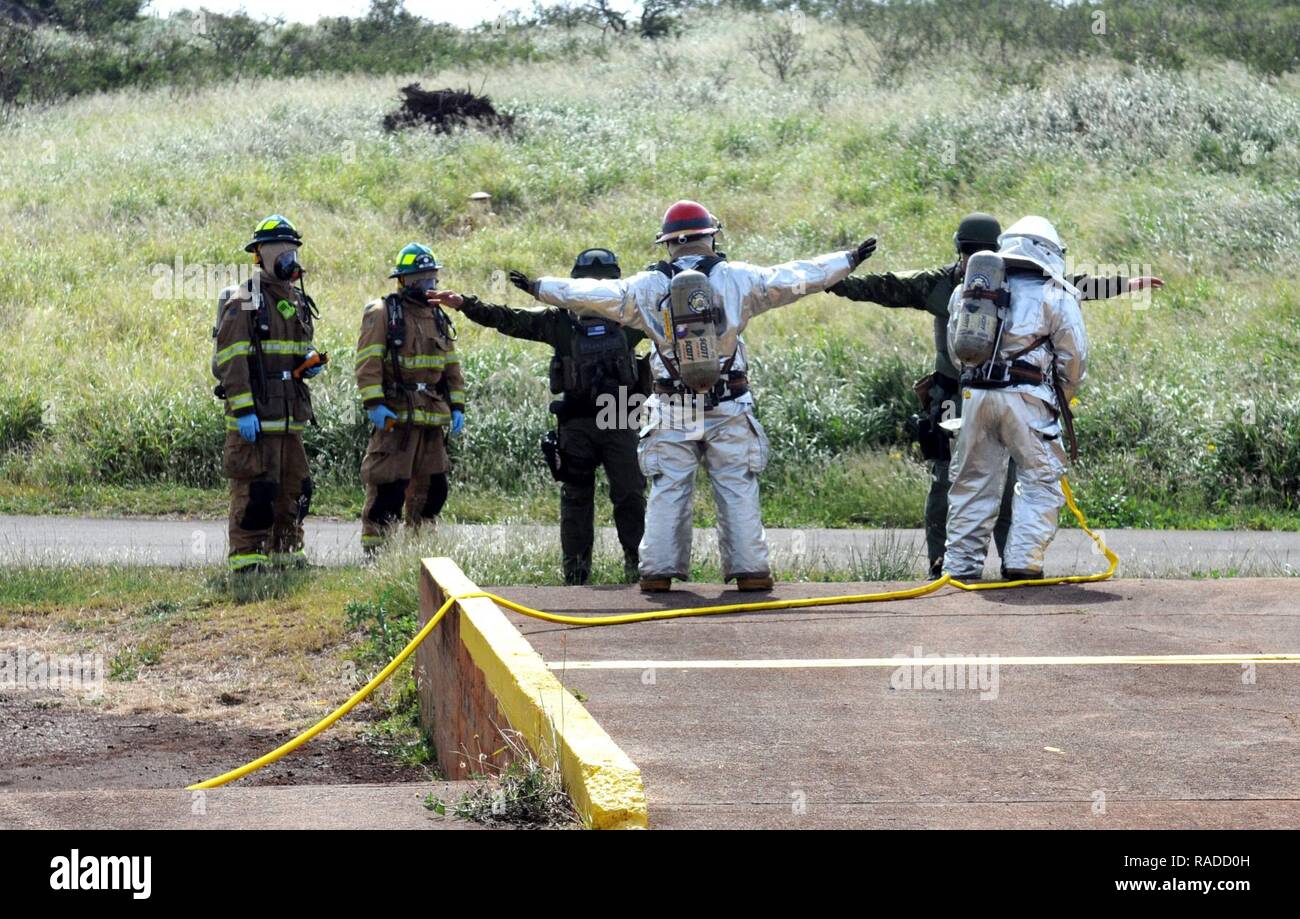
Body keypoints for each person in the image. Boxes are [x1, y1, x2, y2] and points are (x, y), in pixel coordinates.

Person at [500, 200, 876, 592]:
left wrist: (539, 286)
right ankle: (750, 572)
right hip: (728, 404)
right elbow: (797, 276)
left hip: (672, 408)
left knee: (667, 489)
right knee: (737, 486)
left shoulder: (644, 288)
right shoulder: (739, 279)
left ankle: (658, 573)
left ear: (668, 244)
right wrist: (847, 259)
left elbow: (589, 294)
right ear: (710, 236)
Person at [828, 213, 1161, 575]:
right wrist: (832, 280)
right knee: (1003, 481)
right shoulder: (1024, 287)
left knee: (973, 483)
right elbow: (883, 286)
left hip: (968, 396)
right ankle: (1004, 564)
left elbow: (1083, 285)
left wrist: (1125, 284)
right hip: (995, 398)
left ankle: (963, 567)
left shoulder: (959, 288)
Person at [432, 248, 647, 585]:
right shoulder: (565, 321)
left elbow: (507, 319)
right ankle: (578, 576)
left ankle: (637, 569)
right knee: (587, 499)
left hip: (617, 415)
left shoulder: (632, 317)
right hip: (581, 420)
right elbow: (507, 319)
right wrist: (464, 303)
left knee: (629, 496)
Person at [943, 216, 1088, 580]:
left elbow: (956, 350)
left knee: (972, 484)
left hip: (976, 397)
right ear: (1050, 253)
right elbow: (1075, 361)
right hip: (1028, 400)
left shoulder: (969, 291)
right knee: (1040, 480)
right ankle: (1023, 563)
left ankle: (960, 568)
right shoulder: (1057, 294)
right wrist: (1059, 398)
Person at [212, 214, 323, 573]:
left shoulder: (297, 300)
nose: (289, 257)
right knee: (256, 493)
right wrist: (243, 410)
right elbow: (231, 359)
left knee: (295, 489)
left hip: (289, 417)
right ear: (260, 254)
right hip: (257, 418)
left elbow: (297, 347)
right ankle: (247, 565)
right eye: (281, 250)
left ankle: (286, 555)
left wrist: (308, 361)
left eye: (292, 250)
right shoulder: (246, 300)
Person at [355, 243, 465, 551]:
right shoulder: (383, 313)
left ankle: (421, 554)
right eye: (420, 278)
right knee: (388, 489)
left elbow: (451, 368)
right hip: (395, 416)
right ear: (403, 280)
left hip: (431, 417)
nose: (428, 285)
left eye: (432, 277)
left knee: (433, 491)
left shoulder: (438, 316)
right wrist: (374, 404)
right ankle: (377, 554)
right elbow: (368, 363)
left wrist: (457, 405)